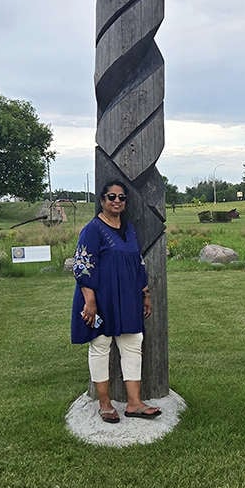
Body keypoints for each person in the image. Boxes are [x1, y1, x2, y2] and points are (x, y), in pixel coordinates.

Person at [71, 180, 161, 423]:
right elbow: (83, 266)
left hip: (129, 298)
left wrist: (146, 294)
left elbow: (138, 263)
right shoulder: (92, 229)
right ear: (102, 200)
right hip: (101, 299)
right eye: (112, 197)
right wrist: (89, 302)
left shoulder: (129, 229)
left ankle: (134, 403)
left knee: (133, 343)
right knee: (100, 346)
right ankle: (105, 403)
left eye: (122, 198)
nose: (117, 201)